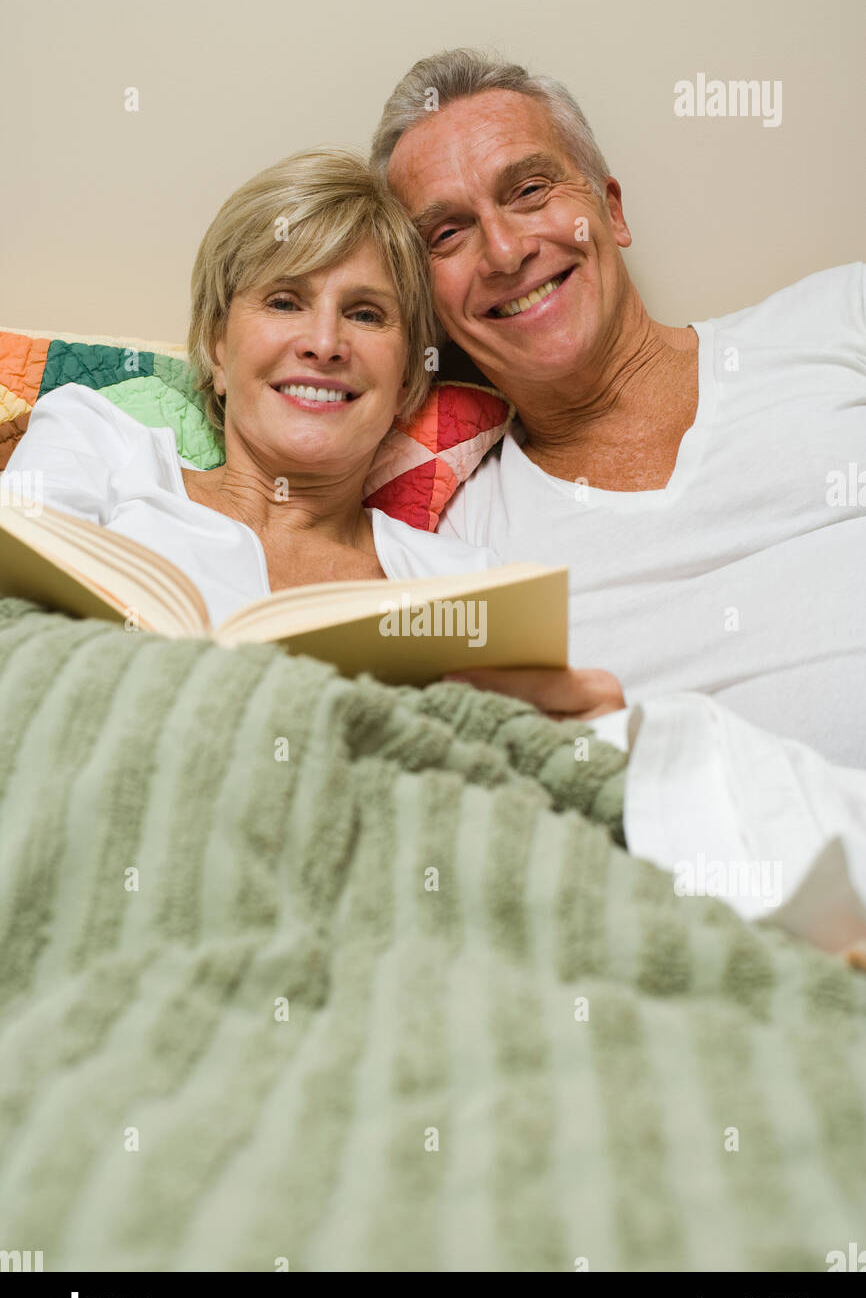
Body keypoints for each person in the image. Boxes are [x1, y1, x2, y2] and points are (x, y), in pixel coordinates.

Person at [2, 148, 625, 720]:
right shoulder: (93, 442)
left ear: (408, 377)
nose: (324, 344)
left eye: (365, 314)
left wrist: (586, 731)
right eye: (283, 301)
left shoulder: (464, 588)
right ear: (218, 350)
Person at [372, 48, 866, 766]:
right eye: (447, 233)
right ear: (430, 306)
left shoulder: (840, 323)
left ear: (610, 210)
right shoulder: (458, 546)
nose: (506, 251)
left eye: (531, 190)